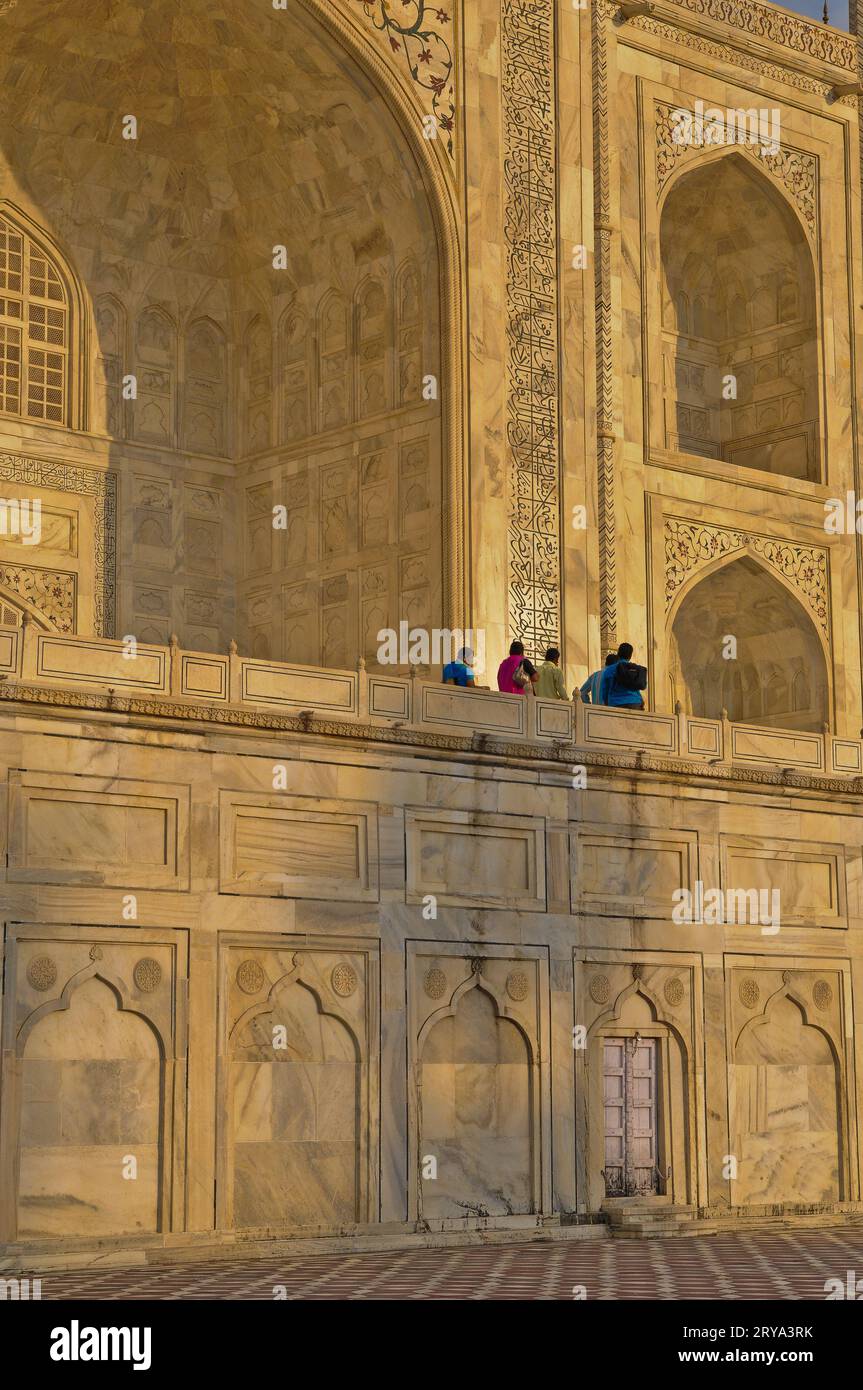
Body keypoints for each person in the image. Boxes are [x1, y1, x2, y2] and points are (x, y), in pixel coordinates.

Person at [599, 642, 647, 709]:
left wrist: (607, 704)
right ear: (630, 656)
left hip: (616, 703)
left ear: (618, 653)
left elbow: (604, 690)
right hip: (634, 703)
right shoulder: (634, 669)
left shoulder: (609, 670)